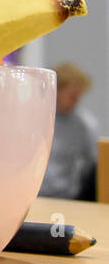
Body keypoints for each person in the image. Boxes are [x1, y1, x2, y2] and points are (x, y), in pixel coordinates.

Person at [38, 62, 100, 200]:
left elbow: (93, 165)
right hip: (34, 194)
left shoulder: (85, 124)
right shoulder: (34, 117)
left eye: (79, 97)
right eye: (72, 96)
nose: (76, 101)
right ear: (56, 91)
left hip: (65, 197)